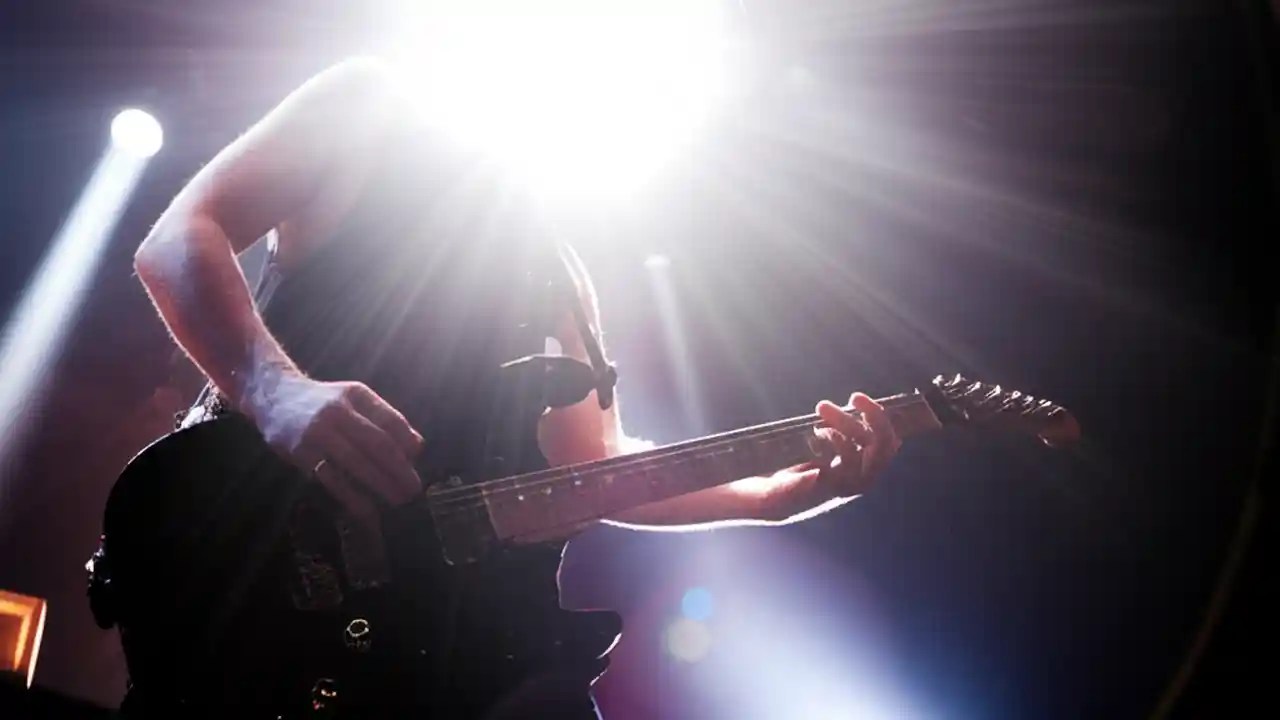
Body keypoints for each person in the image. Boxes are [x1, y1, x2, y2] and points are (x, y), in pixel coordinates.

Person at [125, 57, 901, 718]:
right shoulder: (371, 107)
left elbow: (590, 467)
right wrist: (275, 391)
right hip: (263, 575)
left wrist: (770, 495)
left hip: (459, 652)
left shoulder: (559, 270)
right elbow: (178, 236)